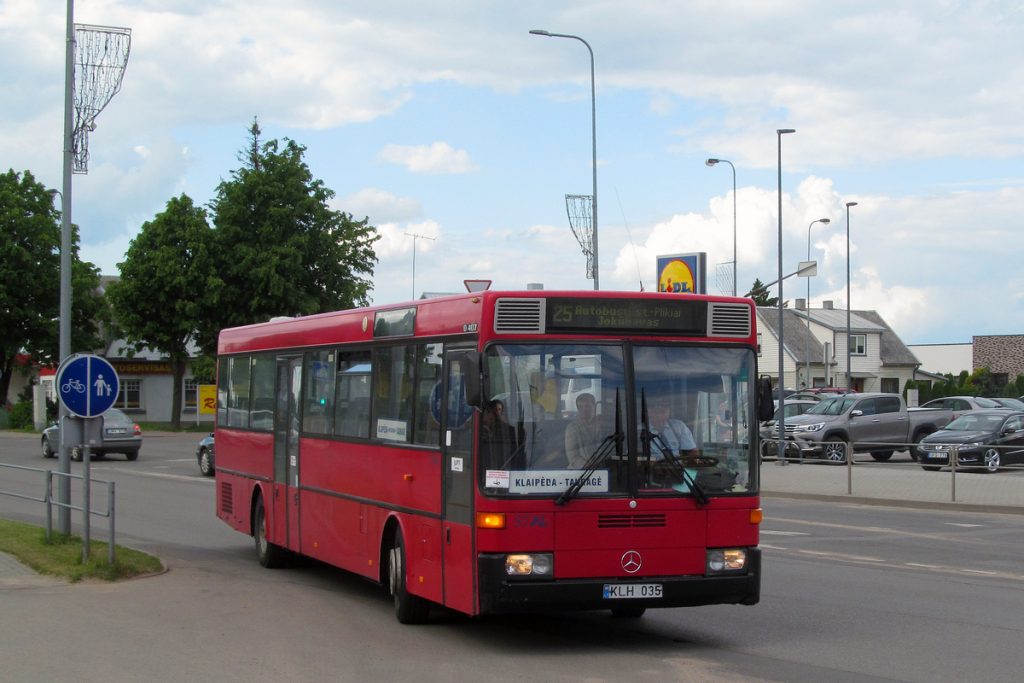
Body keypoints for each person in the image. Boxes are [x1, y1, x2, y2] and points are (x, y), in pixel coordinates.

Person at [564, 393, 603, 468]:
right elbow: (573, 457)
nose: (584, 409)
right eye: (580, 407)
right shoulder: (572, 428)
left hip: (604, 469)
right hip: (581, 473)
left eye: (587, 406)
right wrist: (591, 466)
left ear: (594, 406)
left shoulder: (602, 424)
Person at [481, 399, 515, 468]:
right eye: (494, 410)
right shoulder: (478, 428)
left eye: (499, 410)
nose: (496, 413)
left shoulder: (506, 429)